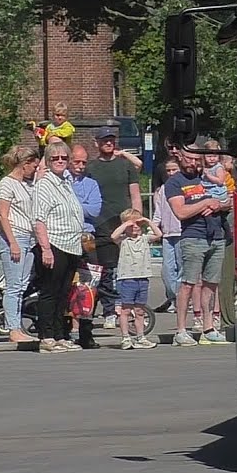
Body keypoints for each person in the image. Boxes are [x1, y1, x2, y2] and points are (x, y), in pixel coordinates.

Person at [164, 147, 231, 346]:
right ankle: (181, 330)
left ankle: (209, 328)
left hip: (216, 235)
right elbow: (181, 212)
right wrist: (206, 203)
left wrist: (219, 204)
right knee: (188, 283)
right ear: (180, 157)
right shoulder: (175, 182)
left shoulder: (209, 175)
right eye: (189, 159)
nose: (192, 163)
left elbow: (228, 200)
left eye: (196, 159)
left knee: (211, 283)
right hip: (193, 237)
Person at [31, 141, 85, 354]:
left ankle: (60, 334)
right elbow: (39, 219)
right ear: (48, 161)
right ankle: (46, 336)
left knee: (64, 293)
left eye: (64, 158)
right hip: (54, 244)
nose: (60, 161)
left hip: (71, 245)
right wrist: (45, 248)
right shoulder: (44, 185)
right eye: (55, 158)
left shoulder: (65, 183)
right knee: (50, 292)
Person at [87, 126, 142, 329]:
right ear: (97, 143)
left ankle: (130, 309)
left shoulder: (125, 165)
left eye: (111, 139)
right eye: (104, 140)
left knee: (128, 267)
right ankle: (109, 310)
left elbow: (135, 194)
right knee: (107, 268)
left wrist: (137, 220)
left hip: (125, 219)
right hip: (101, 221)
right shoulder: (91, 167)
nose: (108, 143)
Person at [0, 145, 40, 344]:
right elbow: (3, 215)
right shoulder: (7, 184)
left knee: (22, 285)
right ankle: (12, 327)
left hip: (29, 238)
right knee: (13, 286)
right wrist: (12, 242)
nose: (35, 169)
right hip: (14, 237)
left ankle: (17, 325)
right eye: (33, 166)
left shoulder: (28, 184)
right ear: (24, 164)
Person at [109, 208, 159, 350]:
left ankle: (140, 337)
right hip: (127, 279)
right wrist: (126, 224)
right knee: (125, 309)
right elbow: (113, 236)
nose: (135, 227)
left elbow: (158, 234)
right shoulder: (123, 240)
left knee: (140, 310)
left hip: (142, 278)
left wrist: (147, 221)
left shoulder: (145, 239)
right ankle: (125, 337)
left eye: (137, 224)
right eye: (132, 225)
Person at [152, 157, 183, 313]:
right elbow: (158, 212)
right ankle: (174, 297)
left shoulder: (184, 186)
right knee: (167, 270)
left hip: (182, 232)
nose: (171, 173)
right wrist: (152, 228)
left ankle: (181, 300)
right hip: (167, 233)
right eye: (169, 170)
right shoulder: (163, 190)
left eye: (174, 170)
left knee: (181, 268)